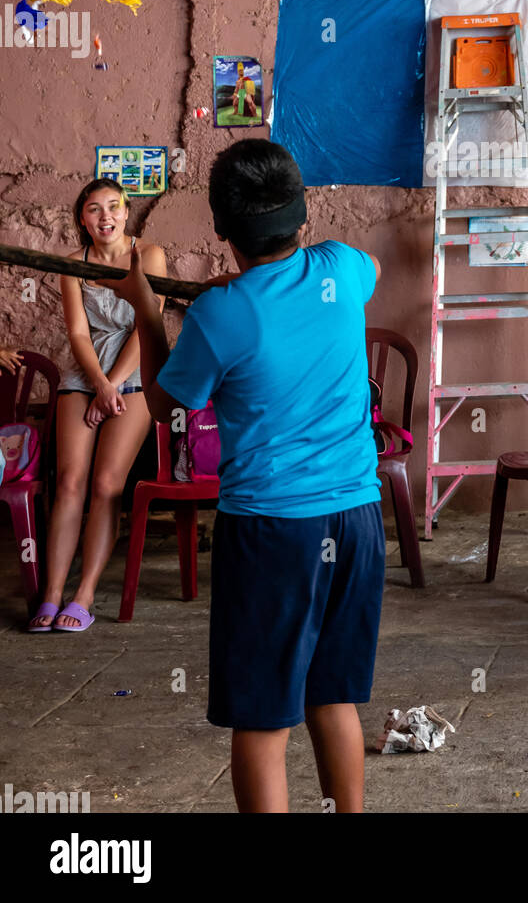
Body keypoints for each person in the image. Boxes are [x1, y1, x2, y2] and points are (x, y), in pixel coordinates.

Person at [107, 140, 384, 813]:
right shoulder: (344, 271)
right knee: (332, 696)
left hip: (272, 531)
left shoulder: (220, 316)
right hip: (356, 521)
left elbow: (169, 401)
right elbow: (356, 269)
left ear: (221, 229)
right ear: (303, 215)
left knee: (262, 721)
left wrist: (147, 312)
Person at [28, 180, 166, 632]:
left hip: (136, 371)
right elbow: (78, 334)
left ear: (126, 213)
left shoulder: (150, 255)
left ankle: (84, 594)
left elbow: (148, 324)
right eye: (93, 209)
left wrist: (115, 386)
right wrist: (98, 385)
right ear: (82, 219)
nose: (104, 216)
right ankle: (51, 595)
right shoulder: (71, 265)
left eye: (113, 207)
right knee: (69, 481)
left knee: (107, 484)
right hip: (85, 375)